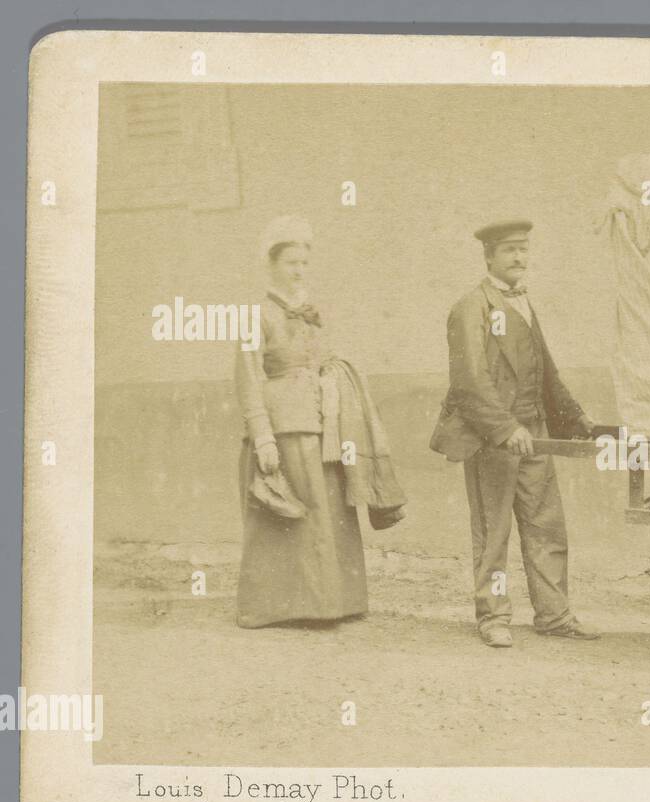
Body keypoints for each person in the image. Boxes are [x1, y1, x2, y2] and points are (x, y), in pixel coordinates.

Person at [430, 219, 599, 648]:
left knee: (546, 525)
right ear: (489, 256)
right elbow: (470, 380)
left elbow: (546, 369)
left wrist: (576, 418)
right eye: (508, 250)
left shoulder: (525, 305)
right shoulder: (472, 306)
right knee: (494, 531)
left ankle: (554, 614)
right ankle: (494, 617)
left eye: (523, 249)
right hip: (493, 437)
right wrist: (506, 429)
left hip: (535, 432)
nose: (519, 258)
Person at [235, 216, 405, 628]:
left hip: (325, 425)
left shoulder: (313, 312)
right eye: (291, 262)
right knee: (289, 516)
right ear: (271, 264)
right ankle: (280, 607)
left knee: (329, 513)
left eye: (304, 263)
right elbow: (247, 380)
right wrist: (263, 438)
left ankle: (334, 603)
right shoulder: (254, 316)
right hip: (283, 426)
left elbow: (326, 360)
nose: (299, 271)